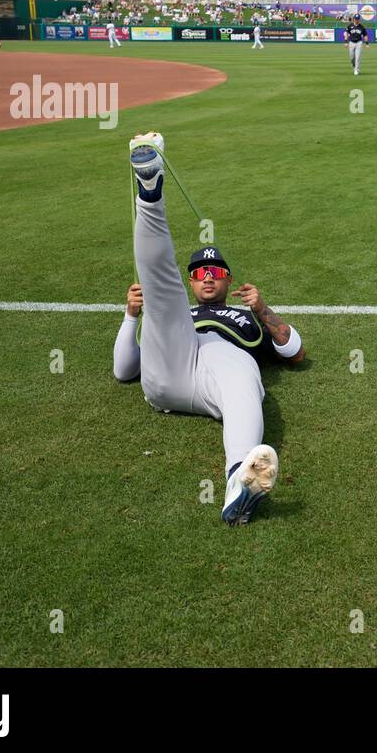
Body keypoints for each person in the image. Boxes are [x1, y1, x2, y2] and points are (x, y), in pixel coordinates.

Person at [114, 132, 307, 525]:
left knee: (241, 375)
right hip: (170, 366)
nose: (206, 278)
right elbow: (123, 371)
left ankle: (239, 478)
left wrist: (263, 308)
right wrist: (131, 317)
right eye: (199, 273)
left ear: (227, 278)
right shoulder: (182, 308)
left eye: (215, 272)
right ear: (192, 281)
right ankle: (150, 190)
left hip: (218, 375)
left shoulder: (245, 315)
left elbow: (295, 352)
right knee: (159, 294)